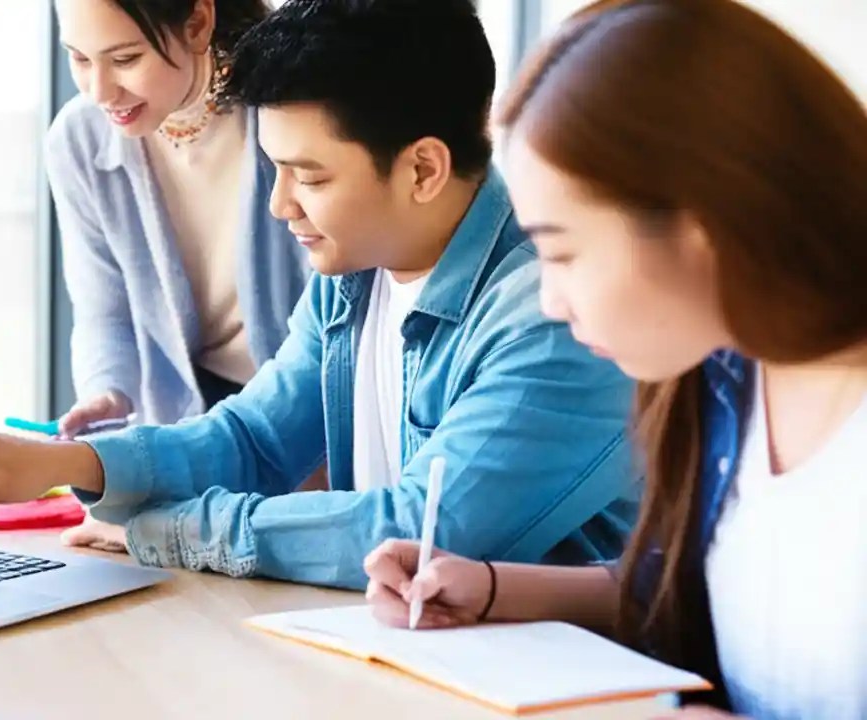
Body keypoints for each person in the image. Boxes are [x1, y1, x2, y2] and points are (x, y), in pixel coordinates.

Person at [0, 0, 640, 590]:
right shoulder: (353, 276)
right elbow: (254, 439)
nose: (281, 206)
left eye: (309, 177)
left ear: (422, 170)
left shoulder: (556, 315)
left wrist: (170, 531)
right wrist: (67, 463)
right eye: (274, 168)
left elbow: (418, 530)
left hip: (553, 680)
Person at [361, 1, 867, 718]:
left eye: (563, 253)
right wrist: (490, 588)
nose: (552, 303)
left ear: (705, 223)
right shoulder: (727, 379)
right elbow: (673, 588)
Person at [48, 0, 309, 437]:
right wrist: (107, 392)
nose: (100, 91)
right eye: (78, 57)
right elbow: (104, 310)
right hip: (184, 418)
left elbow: (338, 305)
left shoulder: (288, 111)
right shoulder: (77, 140)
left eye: (125, 59)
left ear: (197, 24)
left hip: (297, 404)